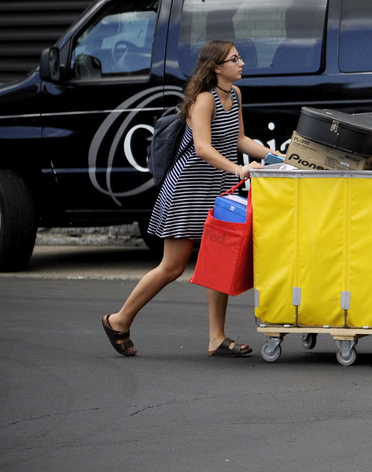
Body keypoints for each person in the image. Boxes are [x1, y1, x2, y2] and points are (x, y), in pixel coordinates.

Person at [101, 39, 277, 357]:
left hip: (218, 188)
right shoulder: (203, 100)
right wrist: (238, 169)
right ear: (216, 67)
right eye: (235, 59)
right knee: (172, 266)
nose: (242, 64)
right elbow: (202, 147)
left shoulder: (234, 95)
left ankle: (216, 338)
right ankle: (119, 319)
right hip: (188, 190)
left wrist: (276, 156)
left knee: (219, 260)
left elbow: (238, 138)